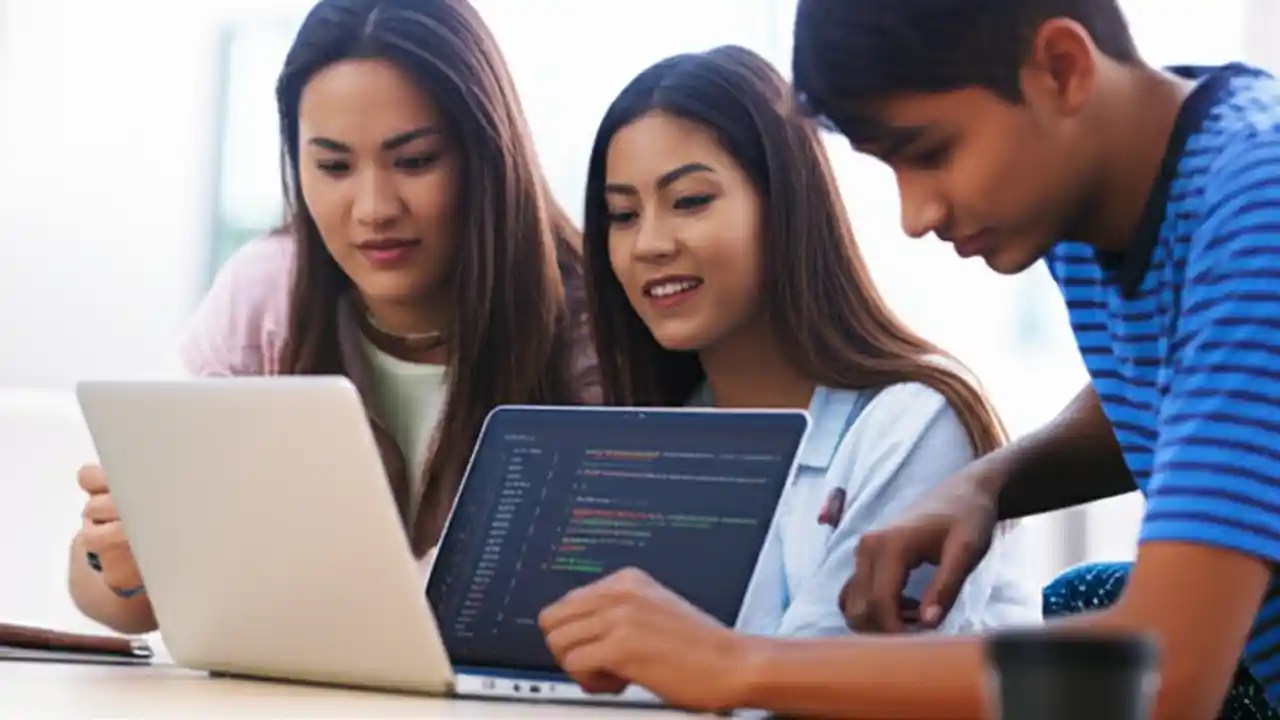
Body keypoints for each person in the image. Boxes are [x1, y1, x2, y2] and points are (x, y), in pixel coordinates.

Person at [538, 1, 1280, 718]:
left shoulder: (1258, 205)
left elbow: (1166, 678)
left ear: (1062, 68)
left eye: (931, 153)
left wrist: (732, 664)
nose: (916, 214)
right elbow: (1194, 390)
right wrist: (990, 483)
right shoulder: (1124, 190)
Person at [70, 0, 599, 636]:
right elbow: (120, 605)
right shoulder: (267, 292)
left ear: (487, 152)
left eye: (415, 161)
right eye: (333, 167)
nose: (374, 208)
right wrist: (126, 560)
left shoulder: (584, 321)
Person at [570, 44, 1041, 643]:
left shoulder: (911, 424)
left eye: (690, 201)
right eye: (622, 215)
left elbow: (824, 681)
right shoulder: (657, 436)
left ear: (786, 205)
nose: (649, 245)